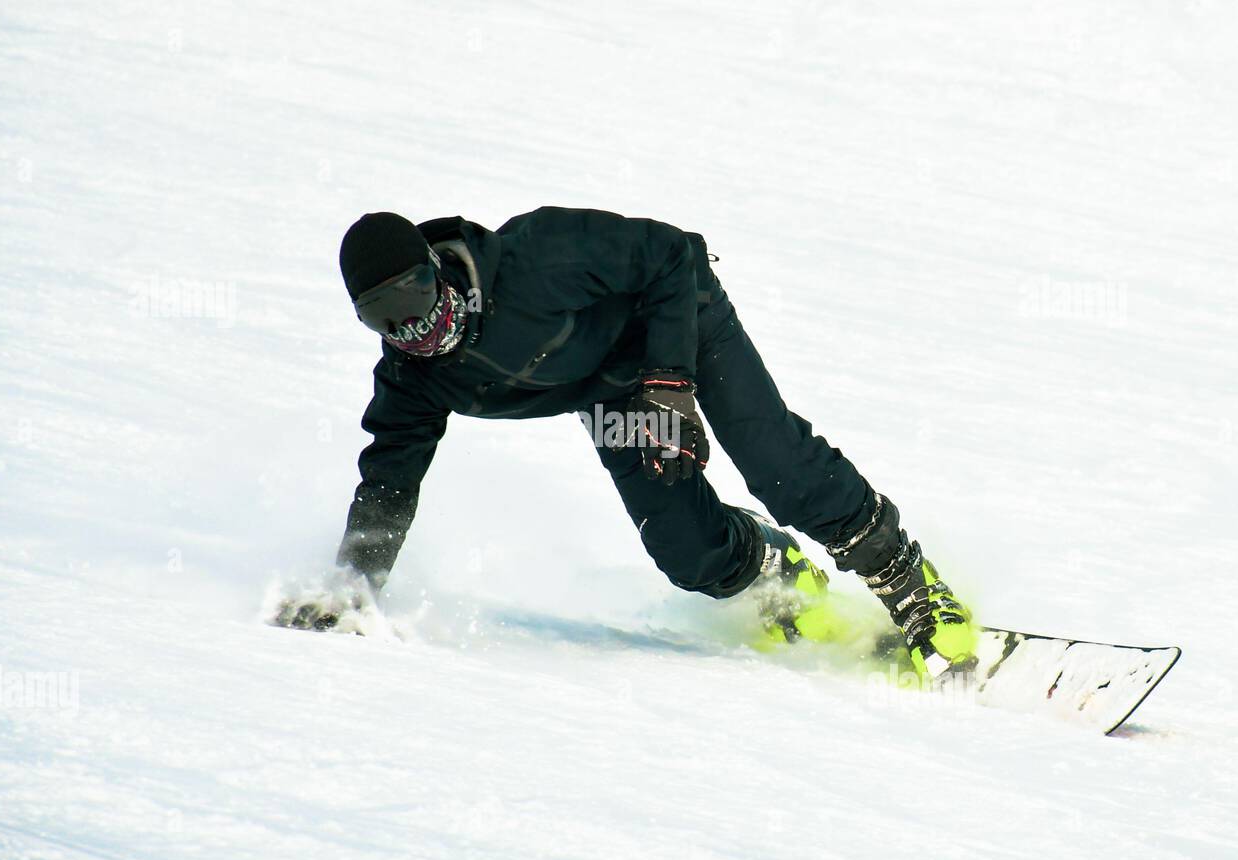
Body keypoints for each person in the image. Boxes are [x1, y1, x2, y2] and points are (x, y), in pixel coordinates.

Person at [274, 207, 977, 681]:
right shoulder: (414, 381)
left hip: (680, 324)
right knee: (684, 549)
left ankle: (911, 584)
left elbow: (674, 255)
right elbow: (390, 481)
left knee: (775, 464)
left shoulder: (532, 260)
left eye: (417, 294)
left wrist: (669, 380)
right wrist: (352, 586)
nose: (414, 326)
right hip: (612, 391)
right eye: (384, 317)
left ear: (436, 268)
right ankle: (771, 568)